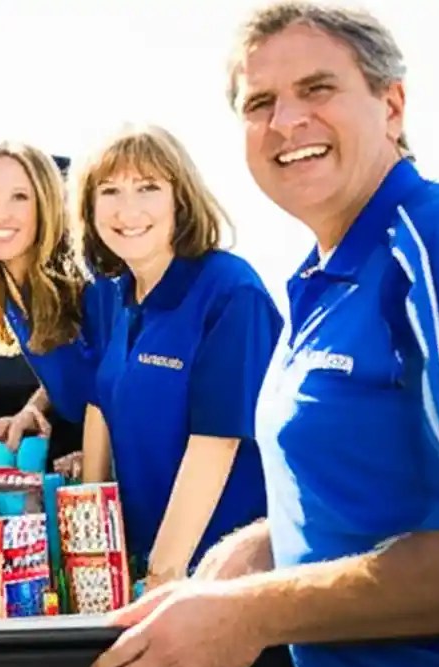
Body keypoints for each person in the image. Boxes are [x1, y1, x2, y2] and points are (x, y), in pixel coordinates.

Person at [89, 4, 439, 667]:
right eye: (260, 103)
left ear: (391, 105)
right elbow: (388, 487)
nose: (286, 121)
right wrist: (266, 545)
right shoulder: (317, 281)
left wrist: (252, 613)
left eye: (318, 89)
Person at [72, 124, 281, 590]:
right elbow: (102, 404)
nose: (129, 210)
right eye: (110, 191)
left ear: (180, 199)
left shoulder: (229, 291)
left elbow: (217, 443)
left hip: (219, 583)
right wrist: (90, 552)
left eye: (148, 188)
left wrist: (162, 578)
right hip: (144, 566)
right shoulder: (118, 296)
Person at [0, 140, 116, 457]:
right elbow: (74, 369)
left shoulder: (89, 280)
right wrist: (31, 409)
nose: (1, 214)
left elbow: (111, 389)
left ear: (44, 204)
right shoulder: (11, 289)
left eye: (20, 197)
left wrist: (94, 467)